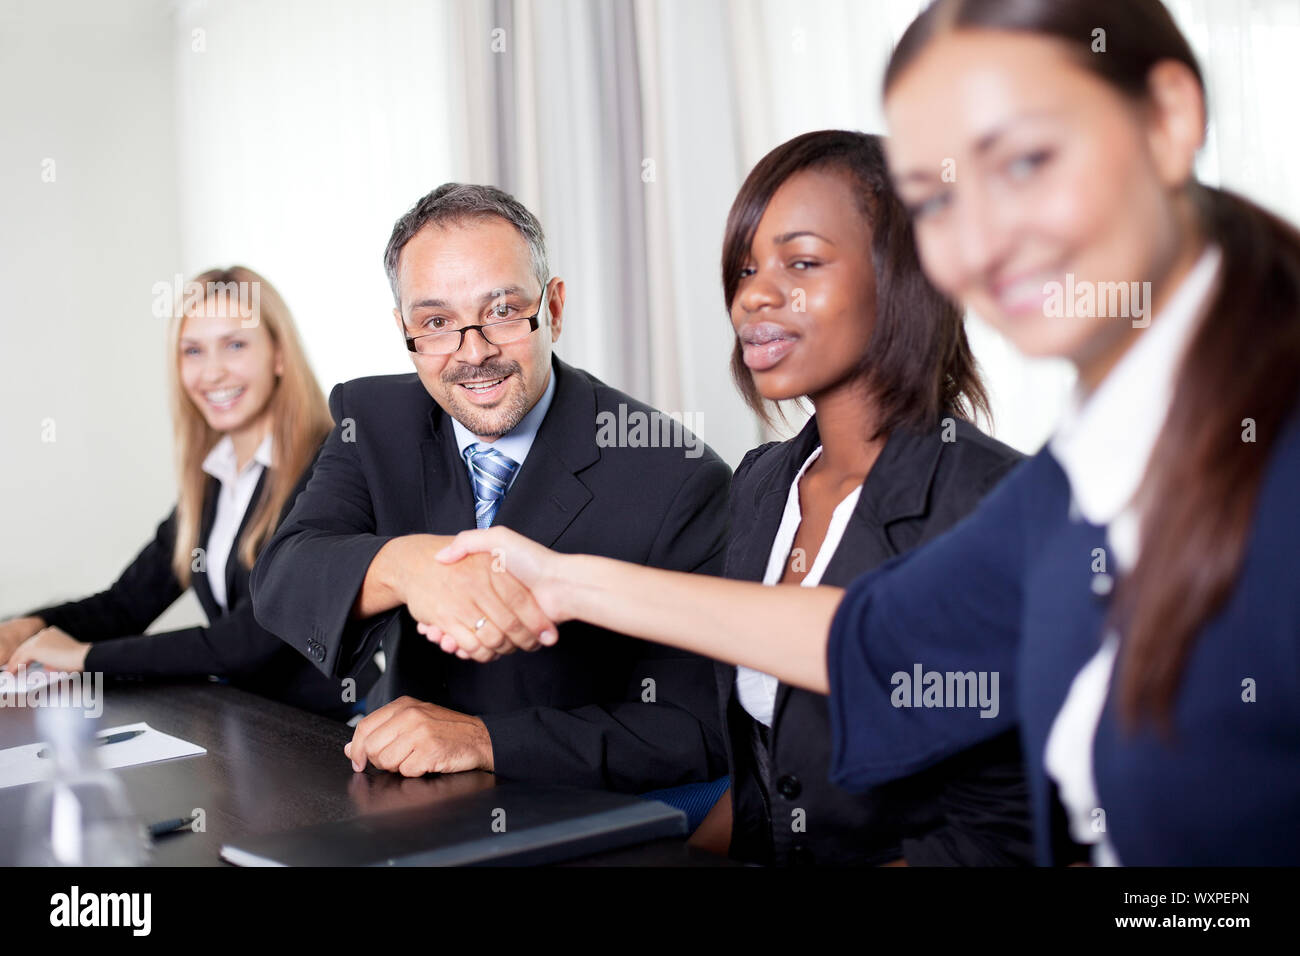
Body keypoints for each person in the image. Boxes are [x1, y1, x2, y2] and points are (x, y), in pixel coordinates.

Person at [427, 0, 1300, 865]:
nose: (982, 238)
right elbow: (863, 639)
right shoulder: (1088, 469)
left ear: (1170, 117)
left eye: (1027, 160)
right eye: (938, 201)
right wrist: (563, 583)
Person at [250, 184, 730, 793]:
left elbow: (698, 728)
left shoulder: (678, 476)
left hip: (571, 812)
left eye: (502, 311)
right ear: (404, 329)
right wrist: (405, 565)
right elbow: (282, 576)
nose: (473, 353)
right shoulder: (370, 419)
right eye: (436, 323)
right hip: (405, 793)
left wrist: (483, 740)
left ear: (553, 308)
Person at [682, 129, 1032, 866]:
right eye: (745, 269)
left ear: (905, 274)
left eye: (801, 262)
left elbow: (1006, 830)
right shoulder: (760, 485)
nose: (753, 295)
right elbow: (767, 781)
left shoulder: (993, 500)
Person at [1, 266, 368, 719]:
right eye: (193, 351)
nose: (212, 372)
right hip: (255, 727)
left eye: (235, 345)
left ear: (278, 355)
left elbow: (249, 640)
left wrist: (84, 657)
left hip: (333, 733)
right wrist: (29, 626)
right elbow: (127, 603)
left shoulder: (327, 466)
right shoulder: (213, 480)